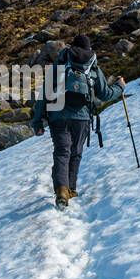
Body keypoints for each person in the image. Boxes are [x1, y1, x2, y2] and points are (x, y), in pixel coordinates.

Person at [31, 33, 126, 209]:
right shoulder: (93, 68)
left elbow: (43, 96)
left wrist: (37, 123)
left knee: (62, 152)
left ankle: (61, 191)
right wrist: (120, 86)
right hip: (81, 117)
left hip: (58, 116)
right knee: (75, 152)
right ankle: (71, 189)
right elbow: (105, 94)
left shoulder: (59, 66)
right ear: (89, 49)